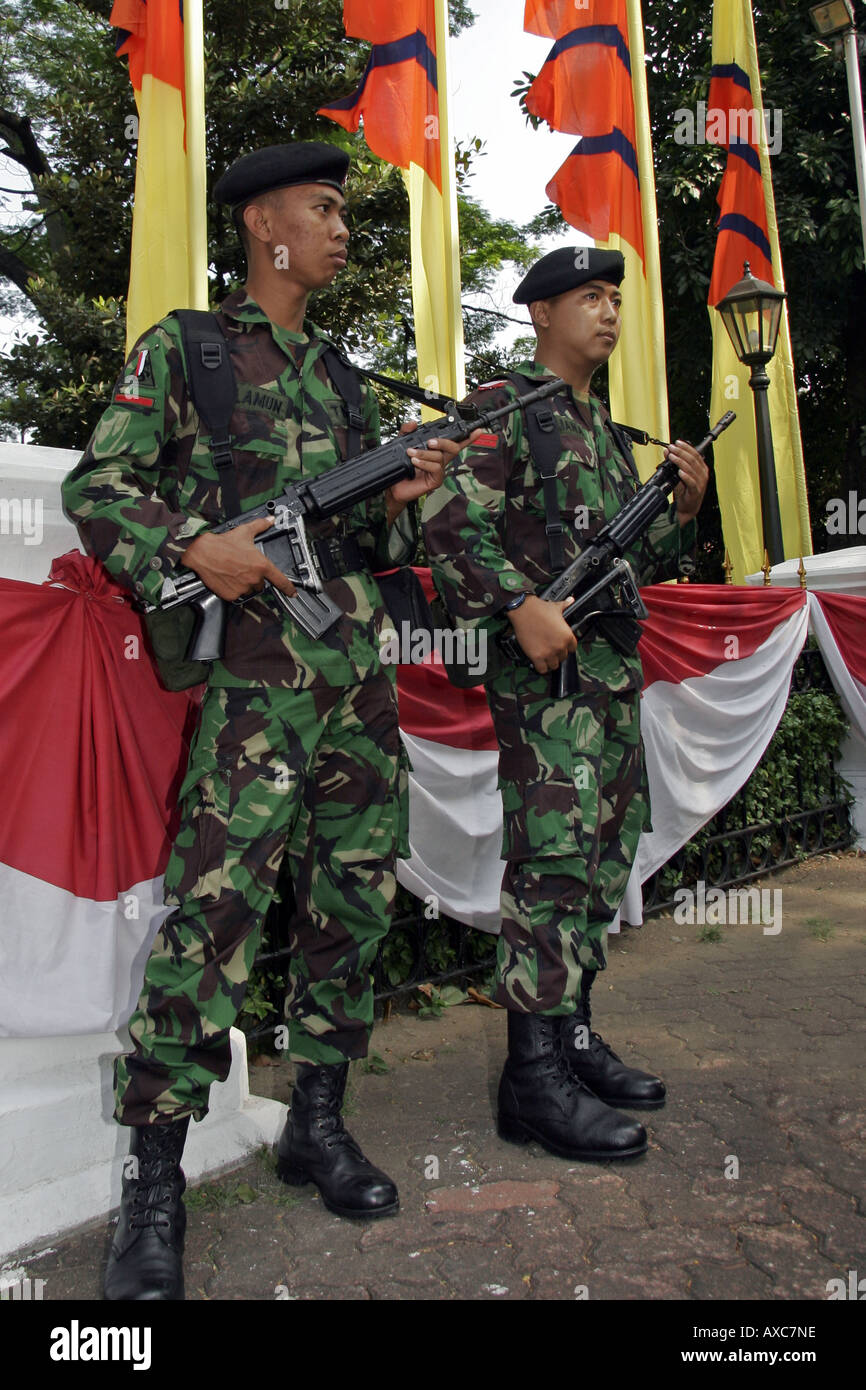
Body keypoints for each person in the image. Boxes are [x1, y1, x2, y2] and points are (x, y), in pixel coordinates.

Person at [62, 141, 460, 1300]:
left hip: (354, 678)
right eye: (322, 209)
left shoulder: (344, 381)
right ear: (261, 225)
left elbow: (371, 550)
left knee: (353, 896)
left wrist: (399, 501)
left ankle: (316, 1122)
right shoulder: (188, 349)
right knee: (214, 915)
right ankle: (153, 1182)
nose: (341, 228)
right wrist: (194, 544)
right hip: (250, 688)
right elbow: (100, 486)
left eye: (343, 210)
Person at [422, 247, 709, 1163]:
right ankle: (531, 1078)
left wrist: (682, 507)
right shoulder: (507, 412)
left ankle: (574, 1037)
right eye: (590, 297)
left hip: (609, 683)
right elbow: (442, 520)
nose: (610, 312)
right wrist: (515, 603)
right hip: (546, 692)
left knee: (596, 861)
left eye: (615, 298)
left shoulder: (605, 433)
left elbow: (632, 559)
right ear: (541, 314)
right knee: (549, 868)